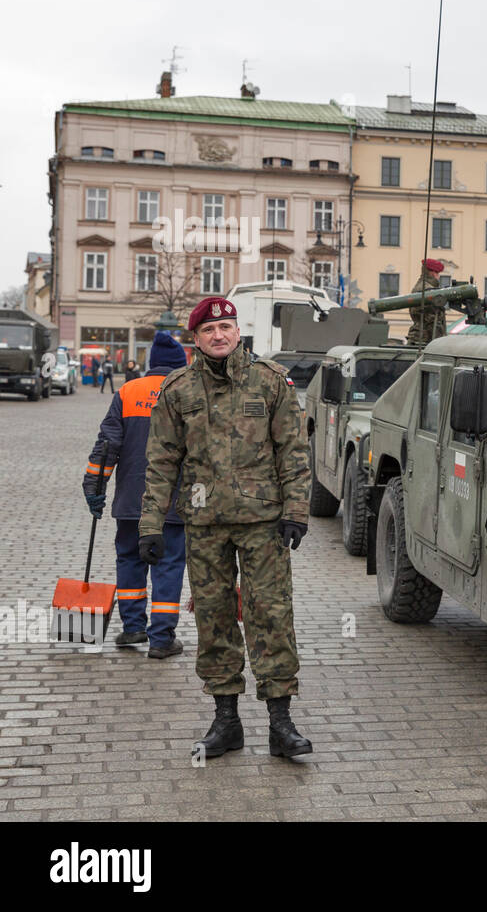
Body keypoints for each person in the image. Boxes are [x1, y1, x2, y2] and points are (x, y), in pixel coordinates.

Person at [139, 296, 313, 760]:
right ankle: (226, 721)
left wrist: (297, 510)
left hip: (264, 524)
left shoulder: (271, 382)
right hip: (204, 525)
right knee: (215, 621)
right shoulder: (177, 390)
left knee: (271, 617)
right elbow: (159, 463)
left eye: (226, 327)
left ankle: (281, 723)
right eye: (209, 330)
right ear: (194, 339)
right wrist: (151, 525)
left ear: (237, 331)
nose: (219, 335)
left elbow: (293, 453)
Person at [84, 332, 190, 657]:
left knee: (129, 558)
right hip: (172, 503)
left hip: (131, 501)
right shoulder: (188, 392)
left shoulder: (128, 392)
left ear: (150, 363)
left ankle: (132, 629)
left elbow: (107, 446)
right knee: (168, 564)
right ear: (179, 366)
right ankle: (161, 639)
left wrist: (95, 487)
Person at [407, 258, 448, 347]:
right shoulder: (428, 290)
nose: (438, 276)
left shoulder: (420, 287)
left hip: (419, 337)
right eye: (437, 273)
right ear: (432, 273)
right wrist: (439, 344)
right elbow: (433, 321)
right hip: (426, 341)